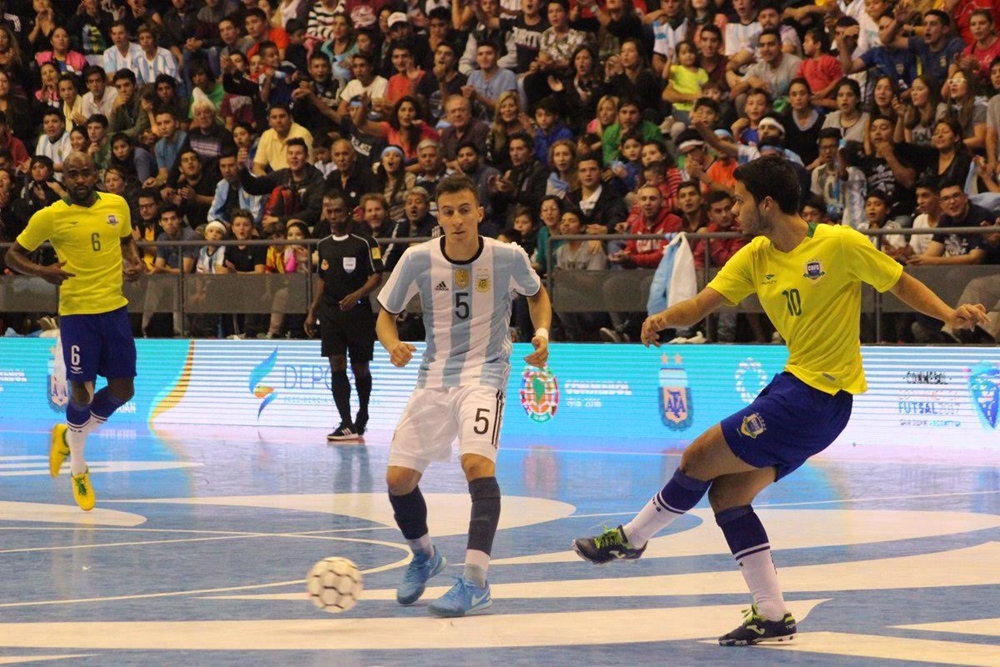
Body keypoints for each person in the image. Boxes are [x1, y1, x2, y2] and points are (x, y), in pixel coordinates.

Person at [572, 155, 989, 645]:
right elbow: (704, 303)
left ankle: (632, 538)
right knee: (728, 495)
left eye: (741, 200)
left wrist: (948, 313)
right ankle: (772, 613)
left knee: (698, 456)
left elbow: (899, 281)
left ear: (767, 203)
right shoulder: (755, 256)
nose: (733, 210)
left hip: (818, 396)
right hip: (794, 390)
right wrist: (663, 319)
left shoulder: (839, 244)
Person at [375, 173, 552, 618]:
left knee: (476, 464)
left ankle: (475, 581)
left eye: (464, 210)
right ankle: (425, 556)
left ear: (478, 212)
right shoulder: (417, 259)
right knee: (398, 481)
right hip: (434, 376)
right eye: (447, 212)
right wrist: (392, 344)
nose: (456, 220)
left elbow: (537, 295)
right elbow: (385, 316)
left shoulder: (507, 256)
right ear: (438, 216)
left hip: (486, 372)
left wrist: (542, 333)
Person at [4, 151, 143, 511]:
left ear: (95, 174)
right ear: (65, 178)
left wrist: (134, 260)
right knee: (81, 394)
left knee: (123, 390)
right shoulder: (50, 216)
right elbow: (12, 255)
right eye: (74, 174)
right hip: (77, 315)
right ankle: (79, 468)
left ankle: (67, 434)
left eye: (86, 173)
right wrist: (42, 271)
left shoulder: (117, 205)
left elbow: (126, 239)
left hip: (114, 309)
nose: (80, 179)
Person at [305, 191, 384, 441]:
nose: (332, 215)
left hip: (358, 312)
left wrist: (357, 294)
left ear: (349, 212)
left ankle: (363, 413)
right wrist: (312, 310)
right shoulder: (323, 244)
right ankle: (346, 422)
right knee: (335, 363)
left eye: (337, 210)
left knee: (360, 367)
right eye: (328, 211)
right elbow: (322, 279)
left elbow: (377, 276)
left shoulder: (365, 242)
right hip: (330, 313)